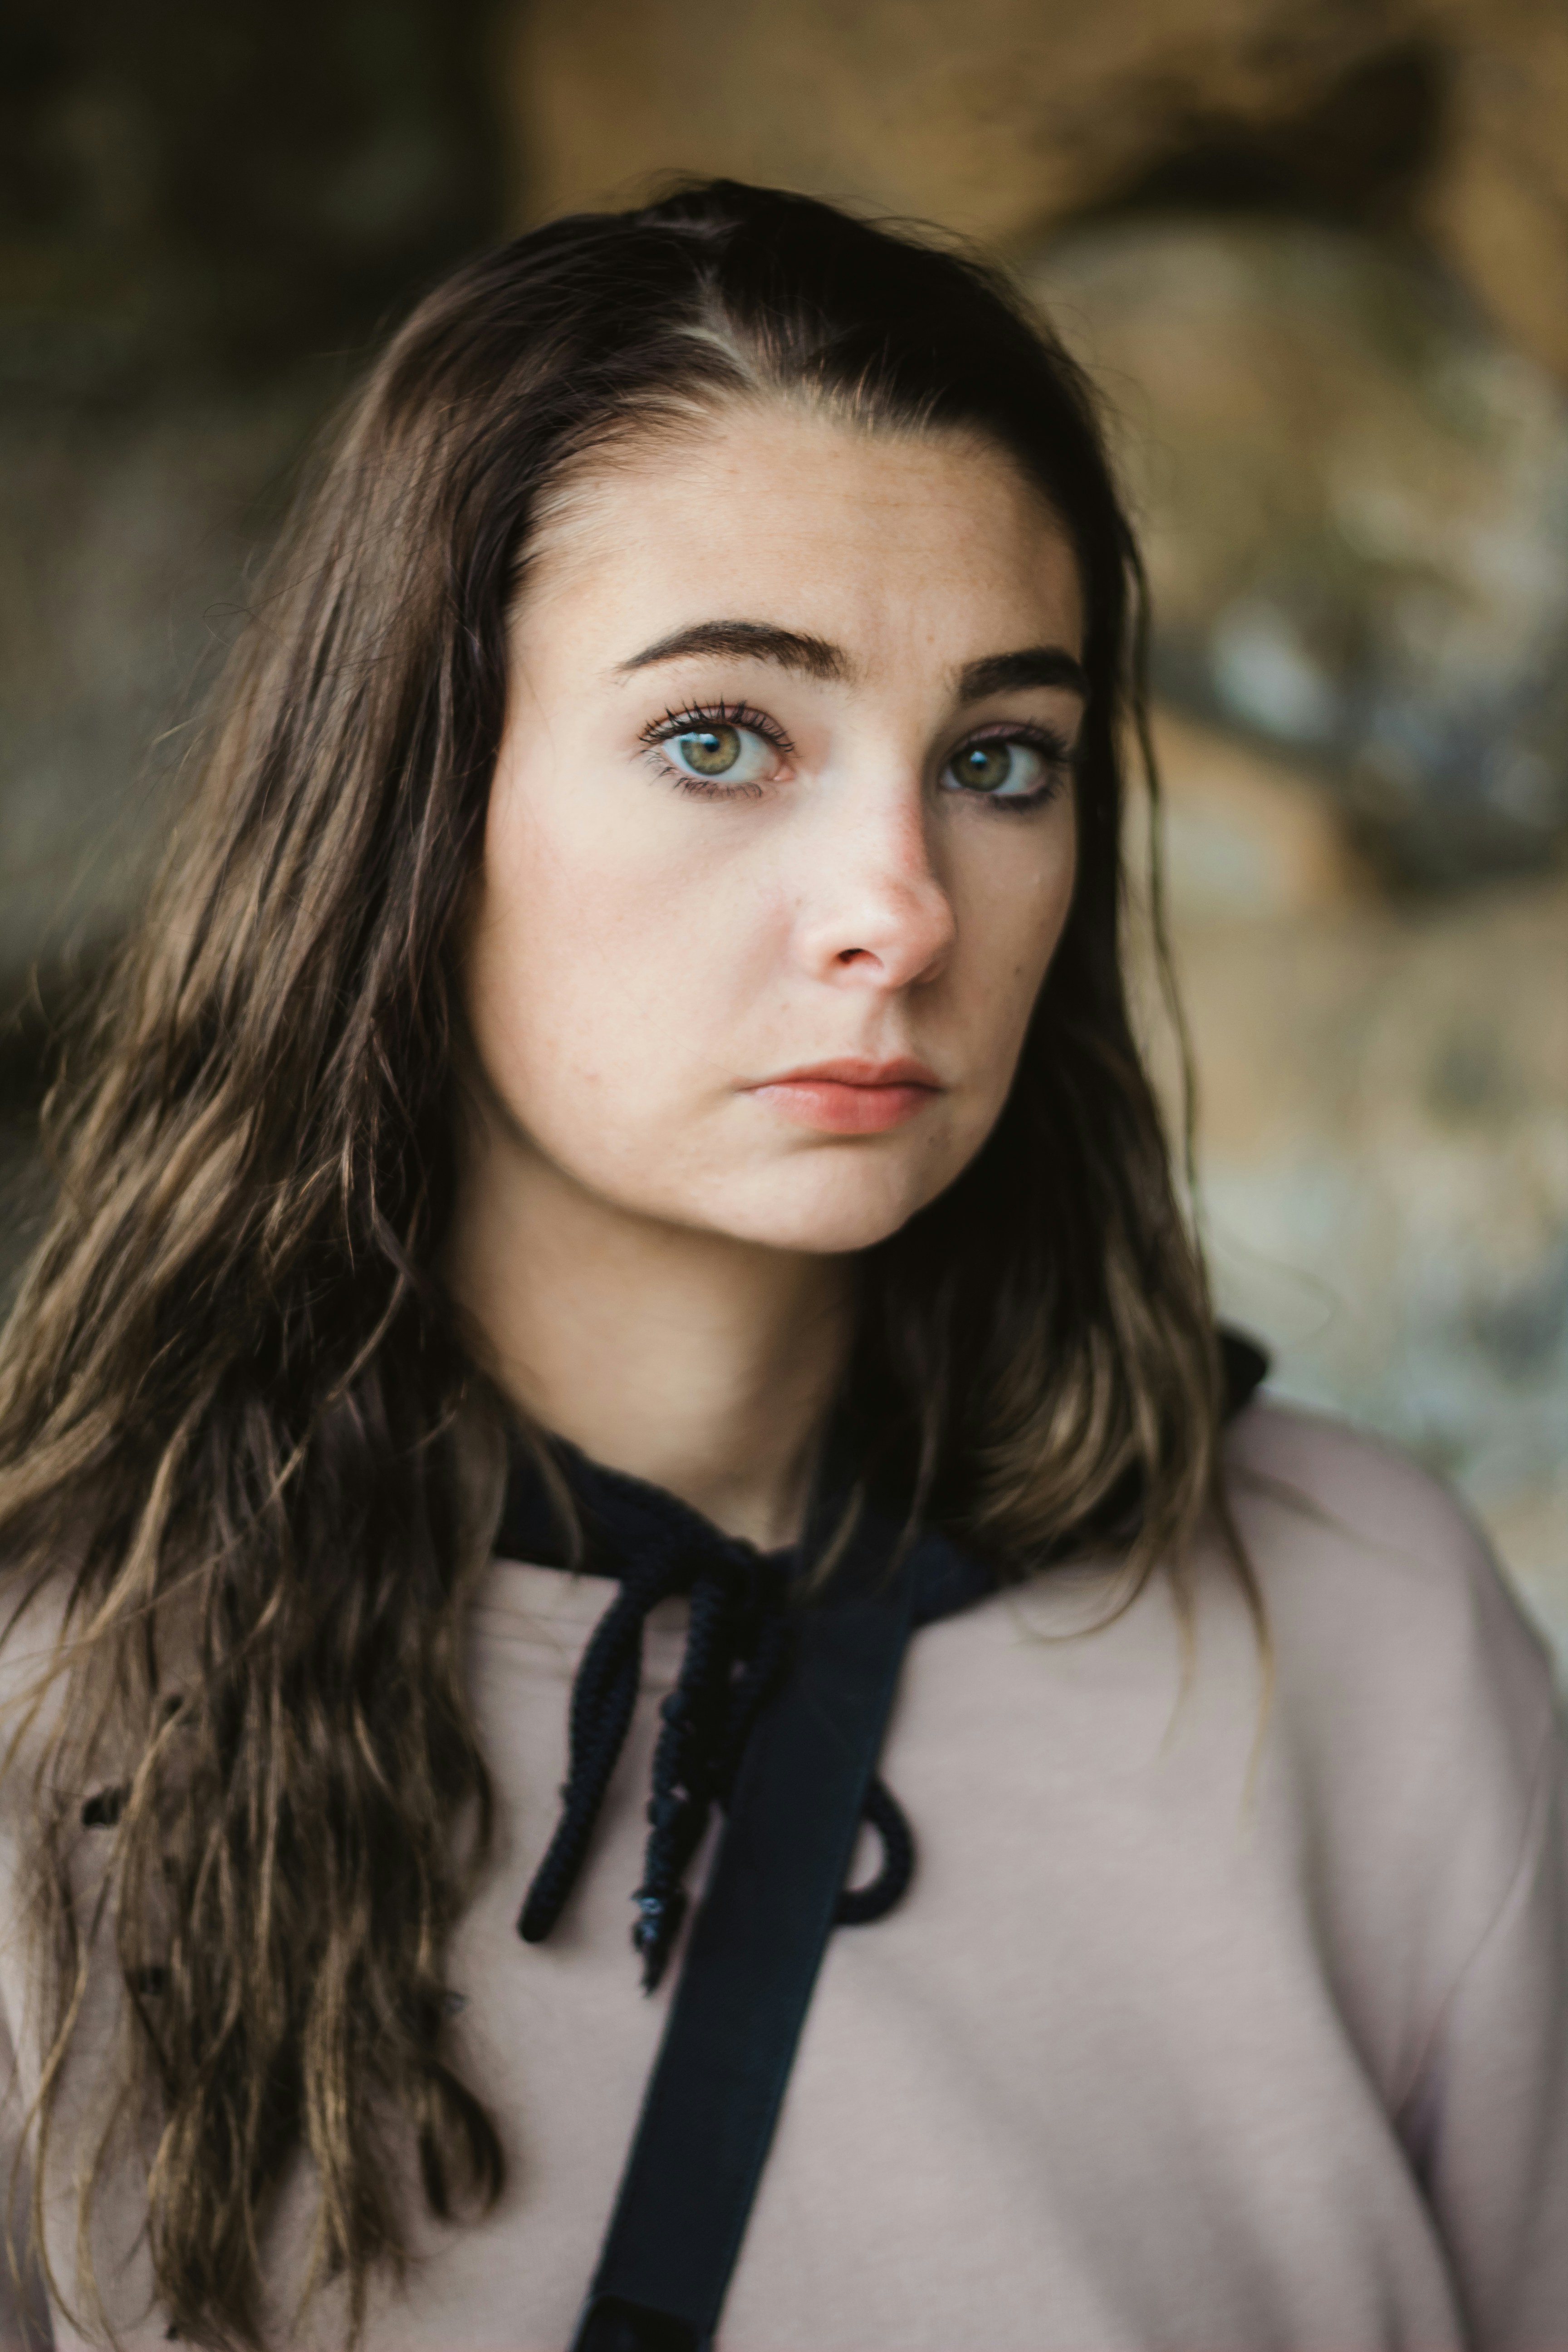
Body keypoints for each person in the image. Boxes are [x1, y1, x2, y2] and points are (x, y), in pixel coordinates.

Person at [0, 178, 1562, 2352]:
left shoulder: (1367, 1641)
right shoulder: (48, 1712)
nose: (903, 904)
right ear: (413, 801)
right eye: (721, 737)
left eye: (1001, 759)